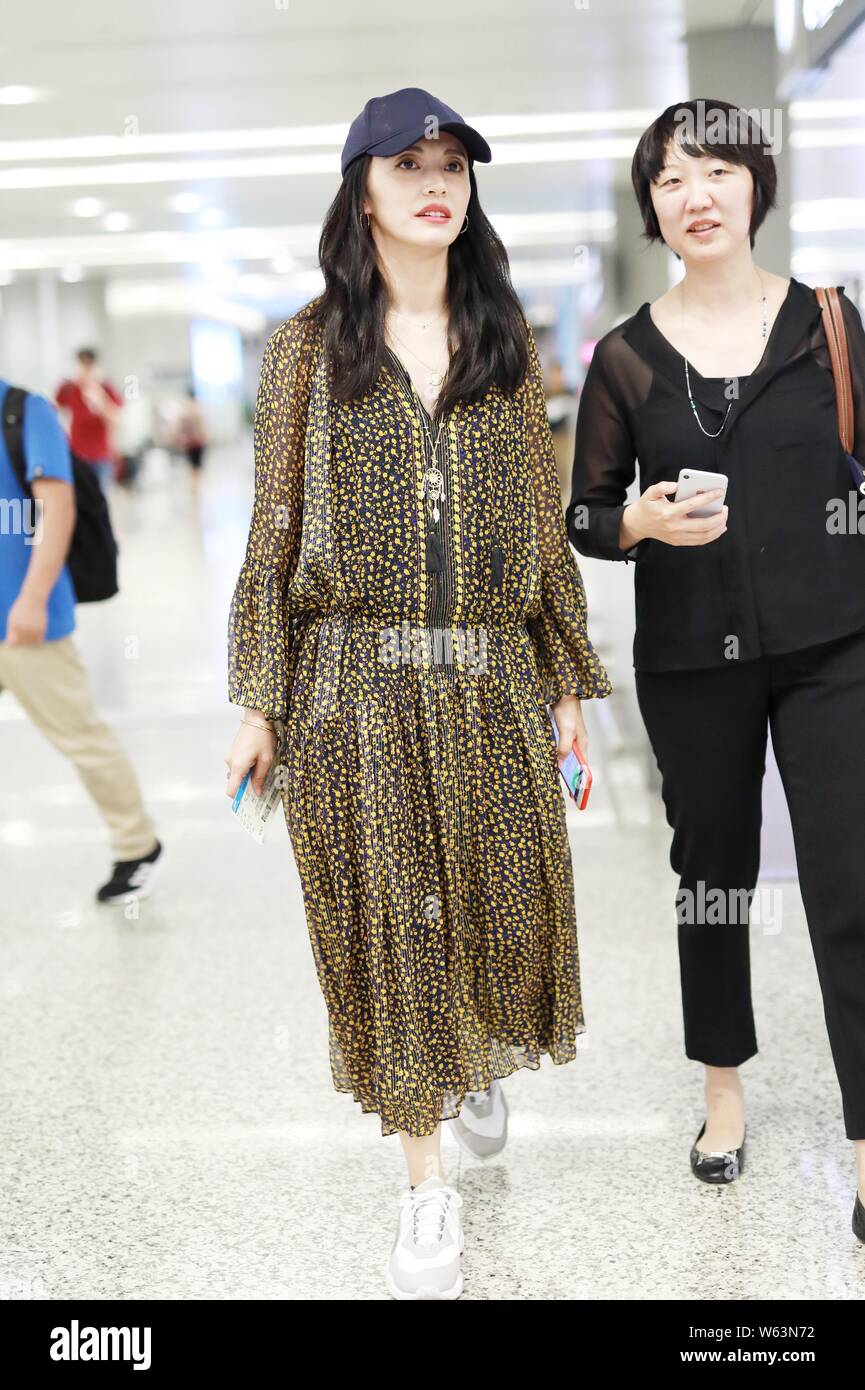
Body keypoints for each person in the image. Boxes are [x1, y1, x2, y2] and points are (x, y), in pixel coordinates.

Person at [224, 86, 612, 1299]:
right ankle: (424, 1184)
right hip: (353, 687)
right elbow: (273, 528)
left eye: (452, 166)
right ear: (363, 193)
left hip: (492, 679)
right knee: (393, 928)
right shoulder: (304, 348)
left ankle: (467, 1054)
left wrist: (565, 679)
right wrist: (257, 697)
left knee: (495, 908)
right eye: (409, 167)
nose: (436, 184)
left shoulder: (508, 346)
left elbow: (539, 538)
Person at [568, 99, 865, 1243]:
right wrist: (638, 521)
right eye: (671, 177)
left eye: (717, 171)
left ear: (754, 188)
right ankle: (722, 1091)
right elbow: (587, 516)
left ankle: (859, 1135)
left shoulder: (829, 326)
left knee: (850, 887)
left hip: (837, 647)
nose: (695, 194)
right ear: (651, 205)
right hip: (692, 661)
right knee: (713, 878)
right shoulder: (625, 360)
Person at [0, 378, 164, 904]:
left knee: (79, 735)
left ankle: (138, 847)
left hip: (27, 620)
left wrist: (32, 598)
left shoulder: (23, 411)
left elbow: (58, 510)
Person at [55, 348, 123, 495]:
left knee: (100, 500)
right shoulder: (68, 388)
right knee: (79, 501)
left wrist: (99, 398)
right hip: (76, 454)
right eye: (82, 364)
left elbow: (115, 421)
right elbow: (55, 412)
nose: (85, 369)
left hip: (101, 456)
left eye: (88, 365)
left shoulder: (106, 388)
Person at [172, 387, 209, 492]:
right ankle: (195, 484)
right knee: (196, 464)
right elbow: (202, 426)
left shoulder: (185, 409)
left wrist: (180, 437)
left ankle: (194, 484)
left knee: (193, 464)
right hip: (197, 441)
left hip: (190, 441)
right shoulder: (198, 408)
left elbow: (180, 426)